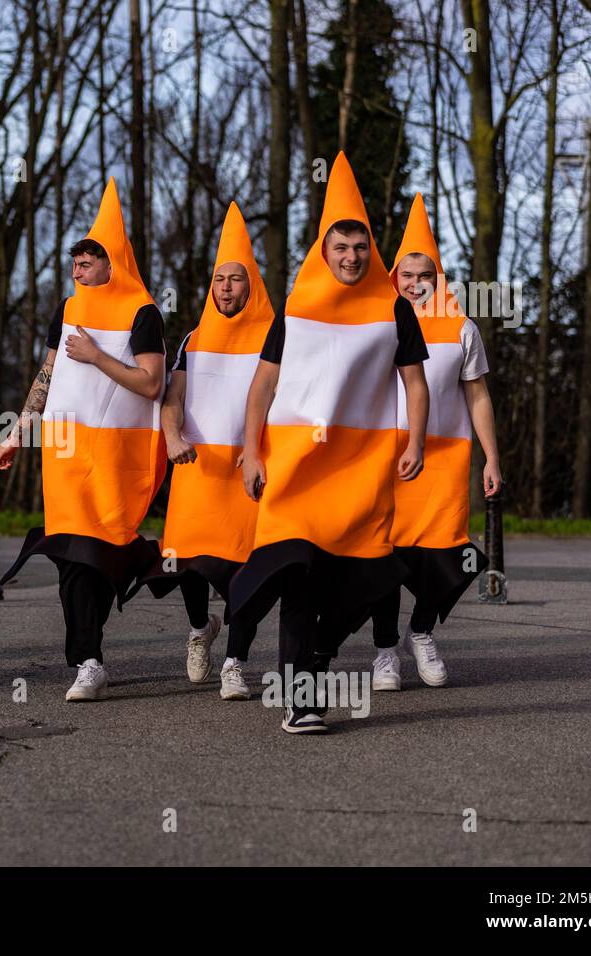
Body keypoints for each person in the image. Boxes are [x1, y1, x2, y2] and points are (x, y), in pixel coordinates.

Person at [230, 152, 429, 734]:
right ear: (323, 250)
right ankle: (302, 701)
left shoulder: (394, 310)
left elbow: (414, 383)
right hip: (295, 470)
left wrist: (415, 441)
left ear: (373, 251)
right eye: (341, 247)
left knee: (372, 578)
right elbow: (263, 385)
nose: (351, 257)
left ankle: (316, 656)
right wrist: (253, 450)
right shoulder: (293, 310)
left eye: (361, 247)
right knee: (299, 575)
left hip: (362, 471)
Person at [0, 178, 166, 702]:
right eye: (76, 261)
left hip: (119, 460)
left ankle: (156, 564)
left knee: (102, 554)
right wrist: (17, 433)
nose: (78, 268)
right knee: (72, 557)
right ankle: (87, 662)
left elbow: (153, 383)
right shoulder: (67, 311)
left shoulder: (144, 313)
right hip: (66, 459)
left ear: (114, 262)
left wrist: (97, 357)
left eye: (89, 260)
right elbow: (46, 377)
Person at [130, 202, 273, 700]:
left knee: (242, 573)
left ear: (251, 283)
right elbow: (173, 398)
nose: (226, 288)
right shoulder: (194, 338)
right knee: (187, 563)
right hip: (196, 468)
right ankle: (199, 630)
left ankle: (236, 661)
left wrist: (258, 450)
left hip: (249, 470)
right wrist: (172, 438)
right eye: (219, 280)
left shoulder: (275, 338)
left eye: (235, 279)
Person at [369, 194, 499, 691]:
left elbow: (478, 395)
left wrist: (492, 457)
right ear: (394, 279)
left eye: (426, 275)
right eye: (407, 275)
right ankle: (385, 652)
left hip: (445, 458)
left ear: (439, 278)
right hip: (389, 456)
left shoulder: (462, 328)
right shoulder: (378, 326)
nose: (416, 283)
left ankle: (420, 631)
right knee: (387, 554)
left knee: (448, 554)